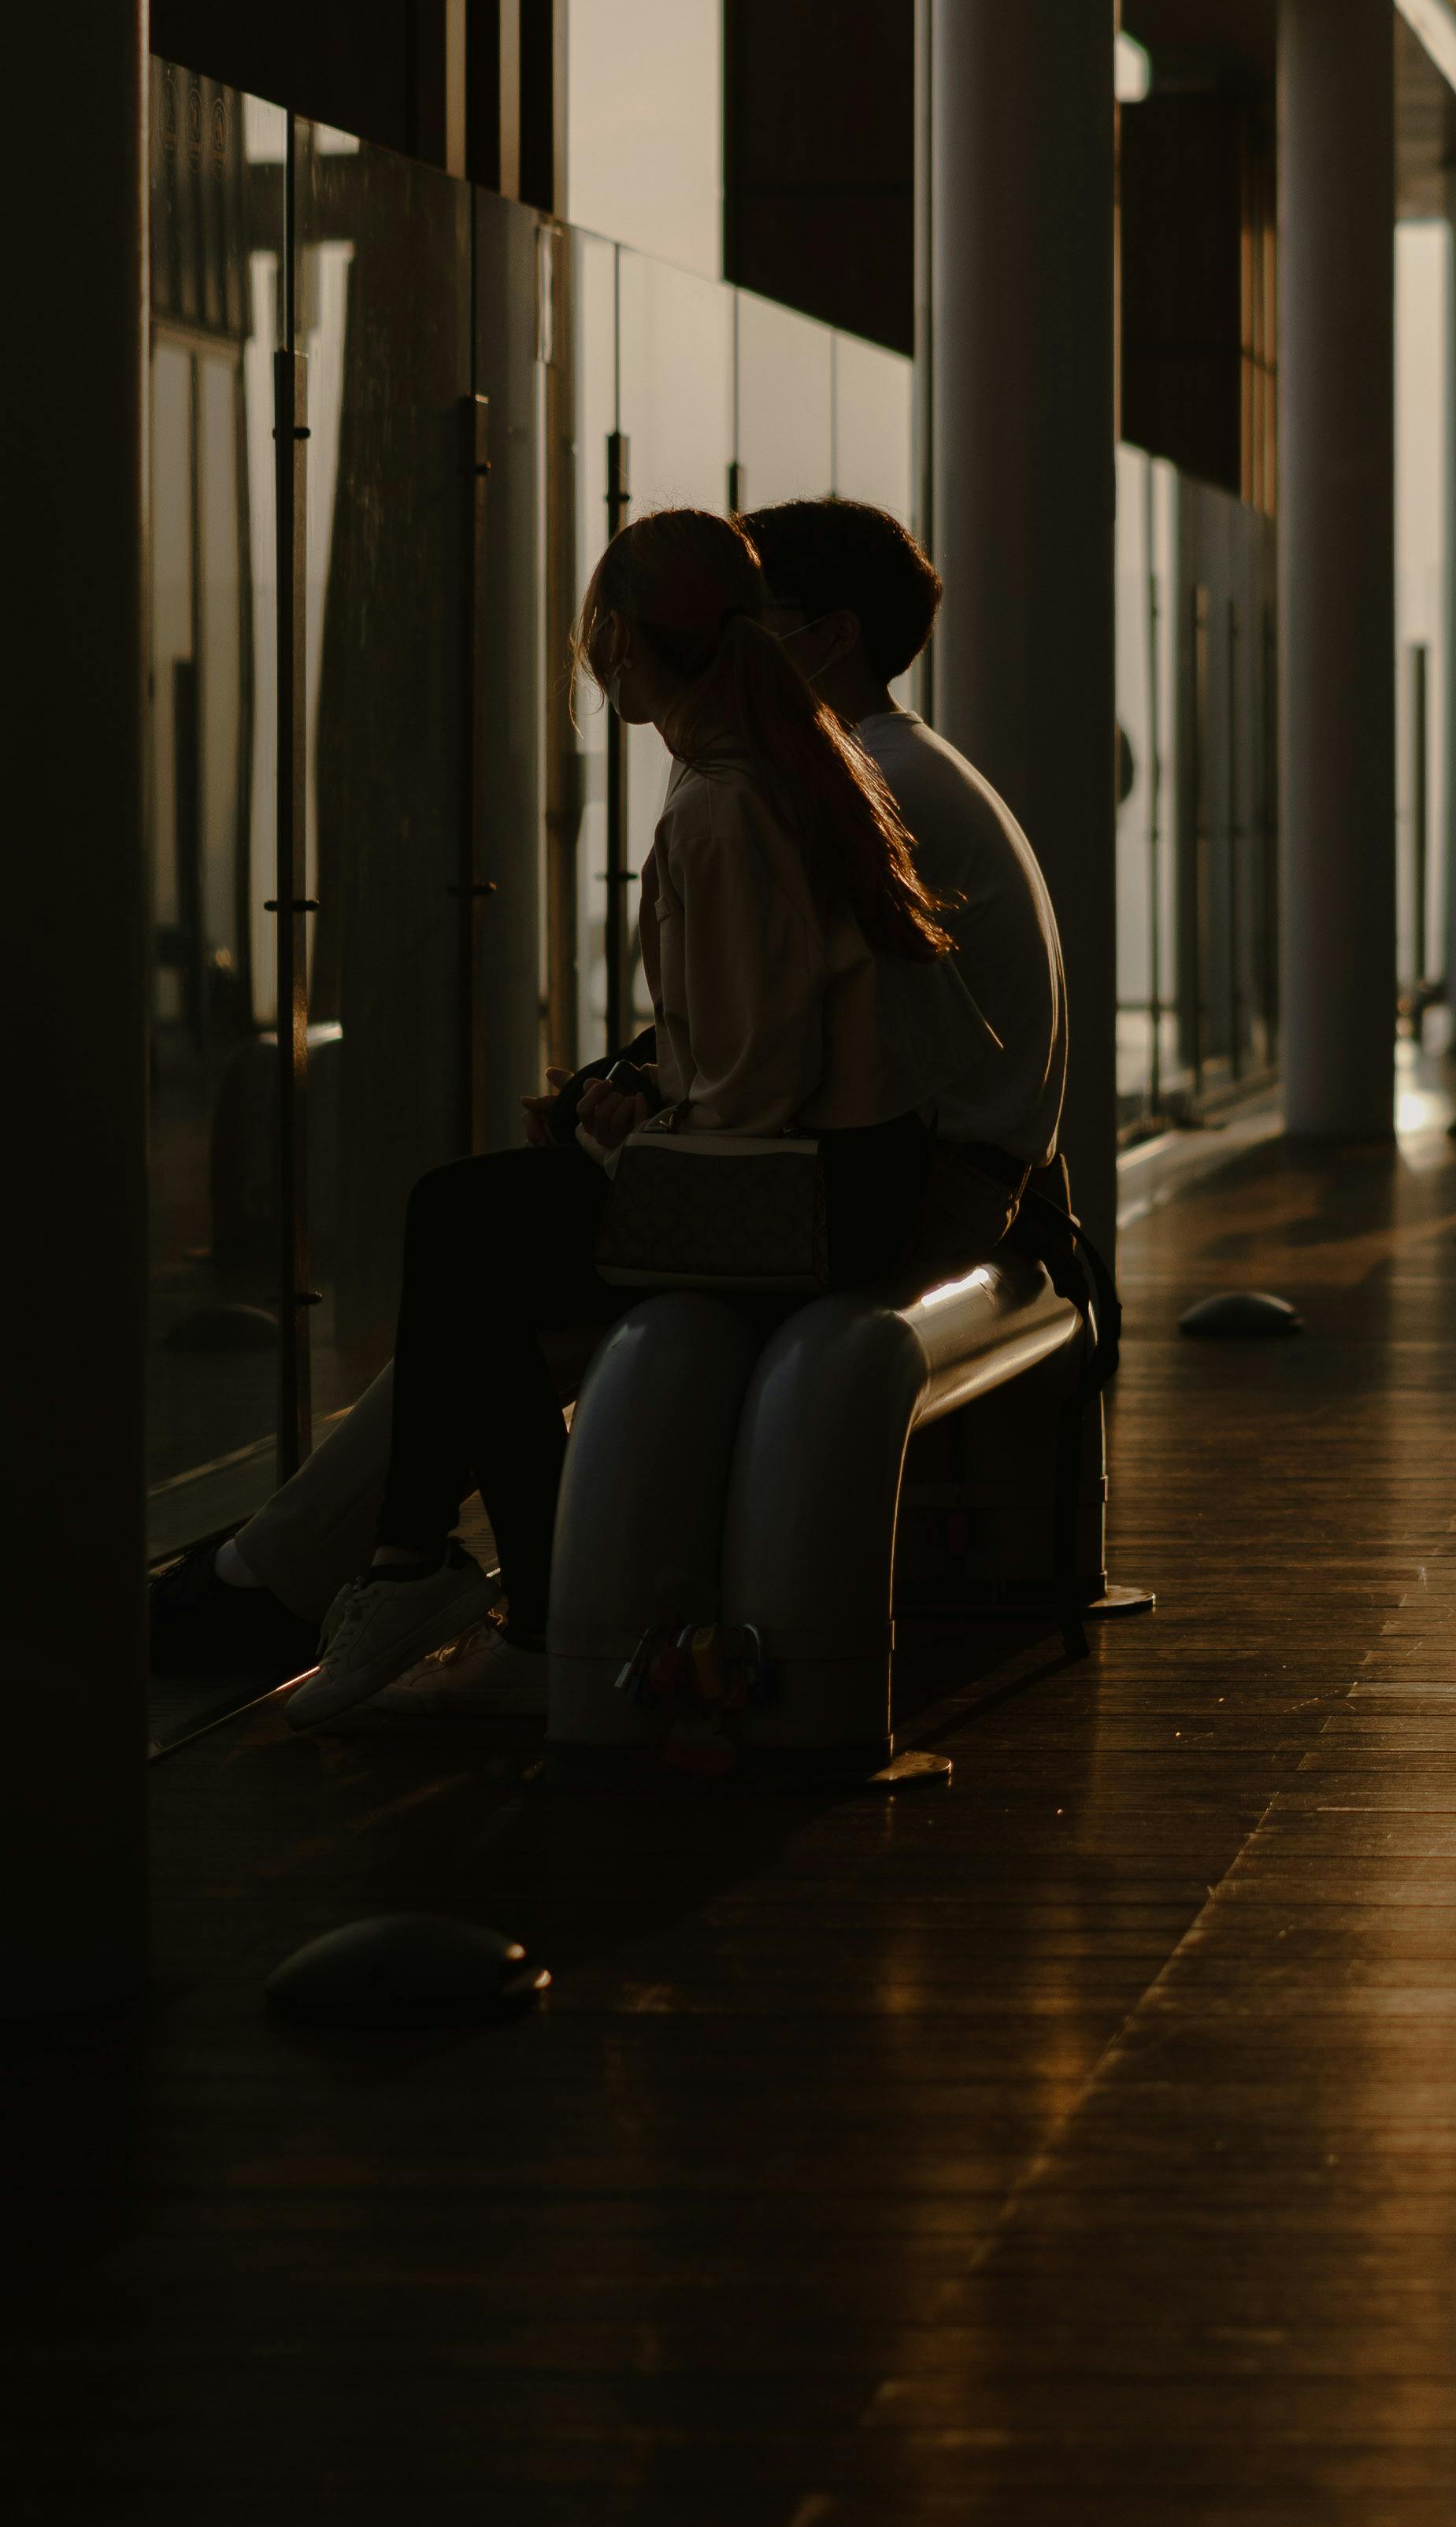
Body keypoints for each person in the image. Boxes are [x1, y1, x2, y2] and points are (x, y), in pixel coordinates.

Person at [275, 503, 973, 1724]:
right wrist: (644, 1090)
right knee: (471, 1239)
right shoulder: (794, 764)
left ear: (620, 647)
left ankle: (472, 1582)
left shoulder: (719, 802)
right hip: (859, 1177)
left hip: (812, 1206)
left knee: (459, 1225)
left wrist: (618, 1139)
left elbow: (753, 1088)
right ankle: (445, 1572)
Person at [743, 491, 1068, 1232]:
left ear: (834, 636)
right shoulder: (904, 764)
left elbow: (780, 1021)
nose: (735, 647)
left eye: (756, 617)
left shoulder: (872, 790)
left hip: (925, 1189)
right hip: (964, 1172)